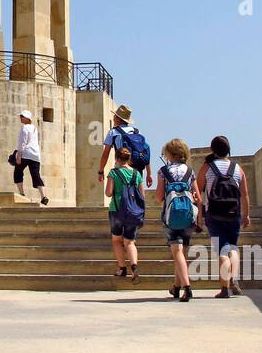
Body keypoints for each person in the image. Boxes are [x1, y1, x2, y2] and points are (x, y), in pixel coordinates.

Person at [196, 135, 251, 298]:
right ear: (228, 150)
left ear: (212, 150)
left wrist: (199, 216)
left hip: (214, 216)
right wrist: (246, 215)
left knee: (221, 251)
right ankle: (234, 281)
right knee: (233, 248)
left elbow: (197, 193)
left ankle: (225, 288)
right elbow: (245, 195)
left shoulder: (207, 168)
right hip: (234, 214)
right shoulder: (237, 168)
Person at [156, 138, 203, 302]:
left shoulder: (163, 171)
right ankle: (176, 287)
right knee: (181, 253)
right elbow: (198, 198)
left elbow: (159, 196)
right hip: (188, 216)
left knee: (177, 252)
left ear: (171, 154)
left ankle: (187, 287)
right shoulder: (190, 171)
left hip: (171, 216)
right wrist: (200, 220)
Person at [107, 145, 144, 280]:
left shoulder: (113, 173)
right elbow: (142, 195)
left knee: (117, 240)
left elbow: (108, 193)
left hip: (116, 210)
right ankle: (134, 266)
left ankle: (122, 268)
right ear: (129, 159)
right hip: (133, 212)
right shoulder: (136, 174)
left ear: (117, 158)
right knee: (130, 241)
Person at [97, 105, 153, 193]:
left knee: (120, 195)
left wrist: (101, 171)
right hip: (137, 170)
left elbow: (105, 154)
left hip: (121, 169)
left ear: (118, 119)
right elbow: (145, 153)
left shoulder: (113, 132)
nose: (113, 118)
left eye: (115, 116)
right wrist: (149, 174)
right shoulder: (137, 132)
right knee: (136, 195)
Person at [12, 110, 49, 206]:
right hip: (35, 155)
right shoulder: (34, 128)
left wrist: (19, 155)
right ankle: (43, 196)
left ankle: (21, 193)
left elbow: (22, 142)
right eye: (20, 116)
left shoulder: (24, 127)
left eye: (22, 116)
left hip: (25, 153)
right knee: (36, 175)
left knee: (18, 172)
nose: (20, 118)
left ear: (27, 118)